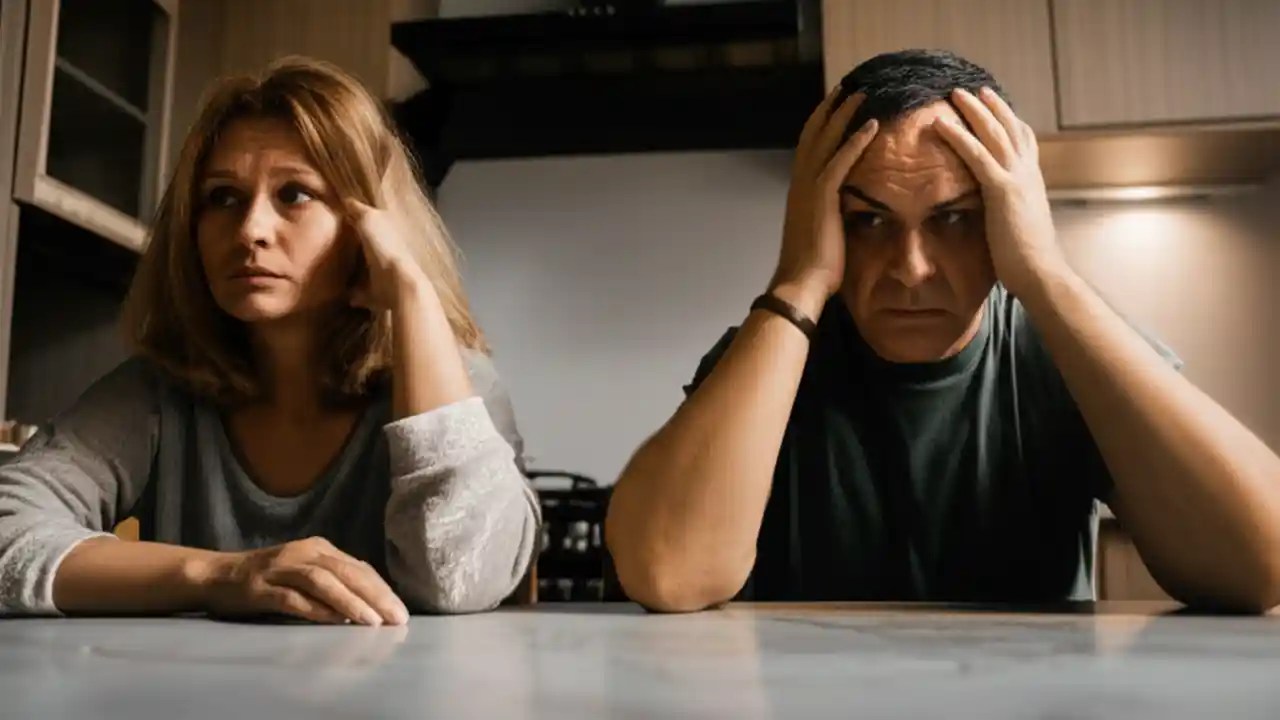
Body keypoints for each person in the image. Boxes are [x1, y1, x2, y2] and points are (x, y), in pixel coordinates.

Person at [605, 50, 1280, 613]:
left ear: (1003, 219)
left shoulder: (1057, 351)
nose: (911, 269)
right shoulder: (775, 353)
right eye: (868, 220)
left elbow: (1262, 564)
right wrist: (797, 282)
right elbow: (668, 573)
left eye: (955, 218)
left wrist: (1045, 271)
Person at [0, 57, 539, 623]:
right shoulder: (159, 393)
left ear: (371, 229)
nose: (251, 230)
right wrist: (221, 574)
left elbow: (457, 578)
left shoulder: (459, 384)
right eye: (224, 198)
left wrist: (411, 293)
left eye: (296, 195)